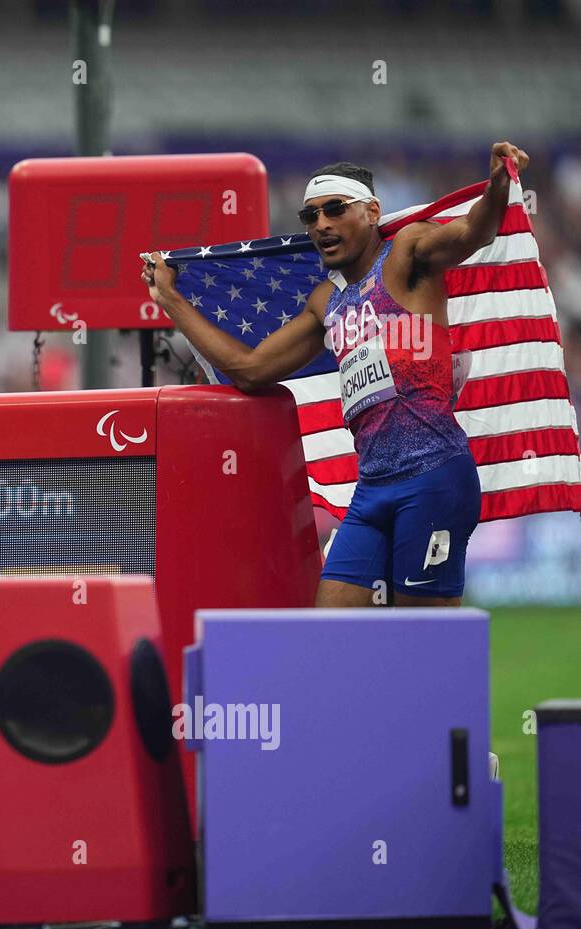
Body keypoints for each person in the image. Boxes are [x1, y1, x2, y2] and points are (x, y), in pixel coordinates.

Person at [143, 142, 530, 608]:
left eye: (334, 209)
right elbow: (250, 371)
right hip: (372, 490)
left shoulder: (406, 254)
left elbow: (474, 231)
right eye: (311, 216)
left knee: (423, 638)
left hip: (433, 477)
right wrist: (172, 301)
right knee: (330, 630)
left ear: (371, 211)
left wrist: (496, 187)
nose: (321, 224)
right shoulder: (326, 301)